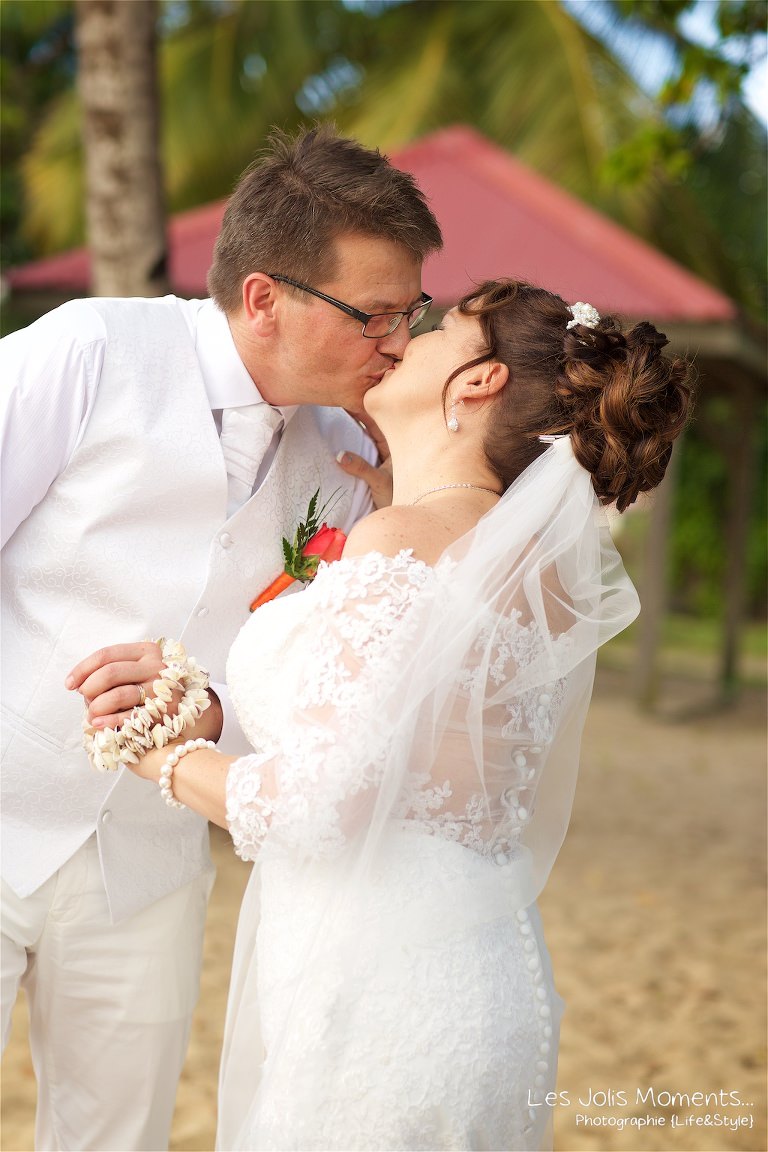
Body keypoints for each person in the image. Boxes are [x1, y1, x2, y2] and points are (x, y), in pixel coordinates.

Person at [121, 279, 693, 1150]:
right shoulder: (523, 566)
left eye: (434, 329)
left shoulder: (403, 546)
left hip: (382, 995)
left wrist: (147, 751)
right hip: (483, 974)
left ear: (477, 383)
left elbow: (314, 807)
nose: (399, 341)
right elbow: (430, 760)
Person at [0, 125, 442, 1151]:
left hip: (149, 868)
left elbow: (323, 687)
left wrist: (218, 716)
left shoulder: (355, 465)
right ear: (263, 298)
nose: (398, 343)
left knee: (119, 1136)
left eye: (410, 314)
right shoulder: (92, 350)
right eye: (375, 314)